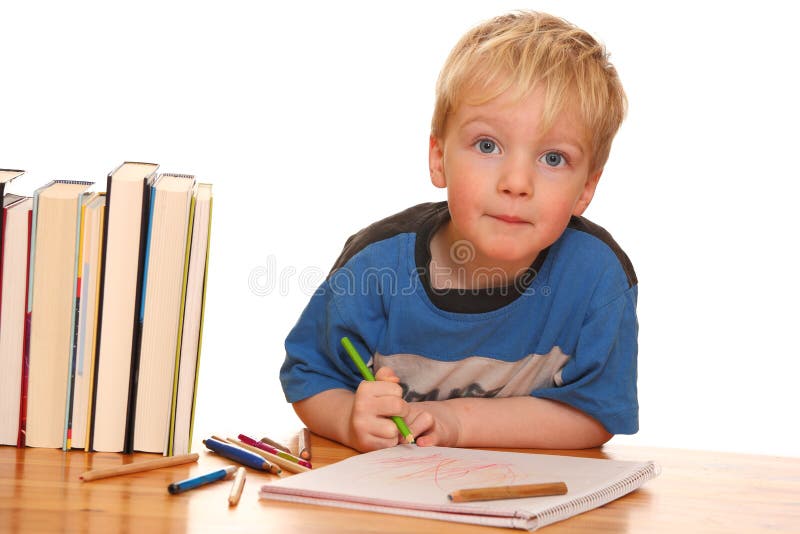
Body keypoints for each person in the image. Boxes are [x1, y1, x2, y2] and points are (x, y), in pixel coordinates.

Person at [280, 11, 637, 452]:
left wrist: (456, 423)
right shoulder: (375, 267)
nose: (517, 182)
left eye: (552, 158)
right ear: (438, 156)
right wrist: (347, 420)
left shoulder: (598, 278)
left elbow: (595, 414)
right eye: (487, 146)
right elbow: (310, 376)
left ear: (587, 187)